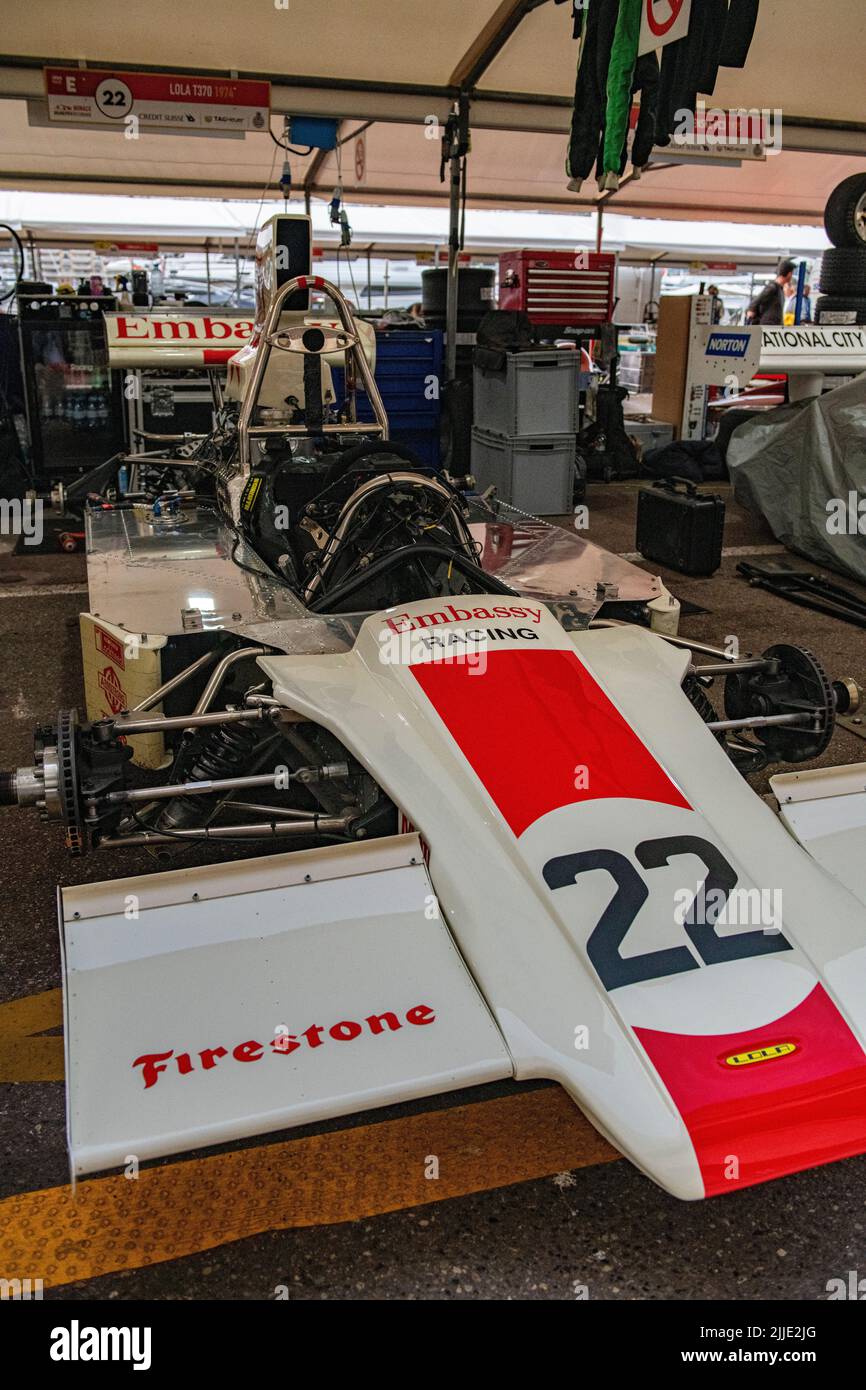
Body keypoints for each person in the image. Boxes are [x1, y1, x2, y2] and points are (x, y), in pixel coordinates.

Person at [745, 258, 796, 325]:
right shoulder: (773, 287)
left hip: (772, 328)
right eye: (792, 273)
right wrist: (751, 310)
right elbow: (757, 300)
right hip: (767, 328)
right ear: (789, 274)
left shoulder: (779, 288)